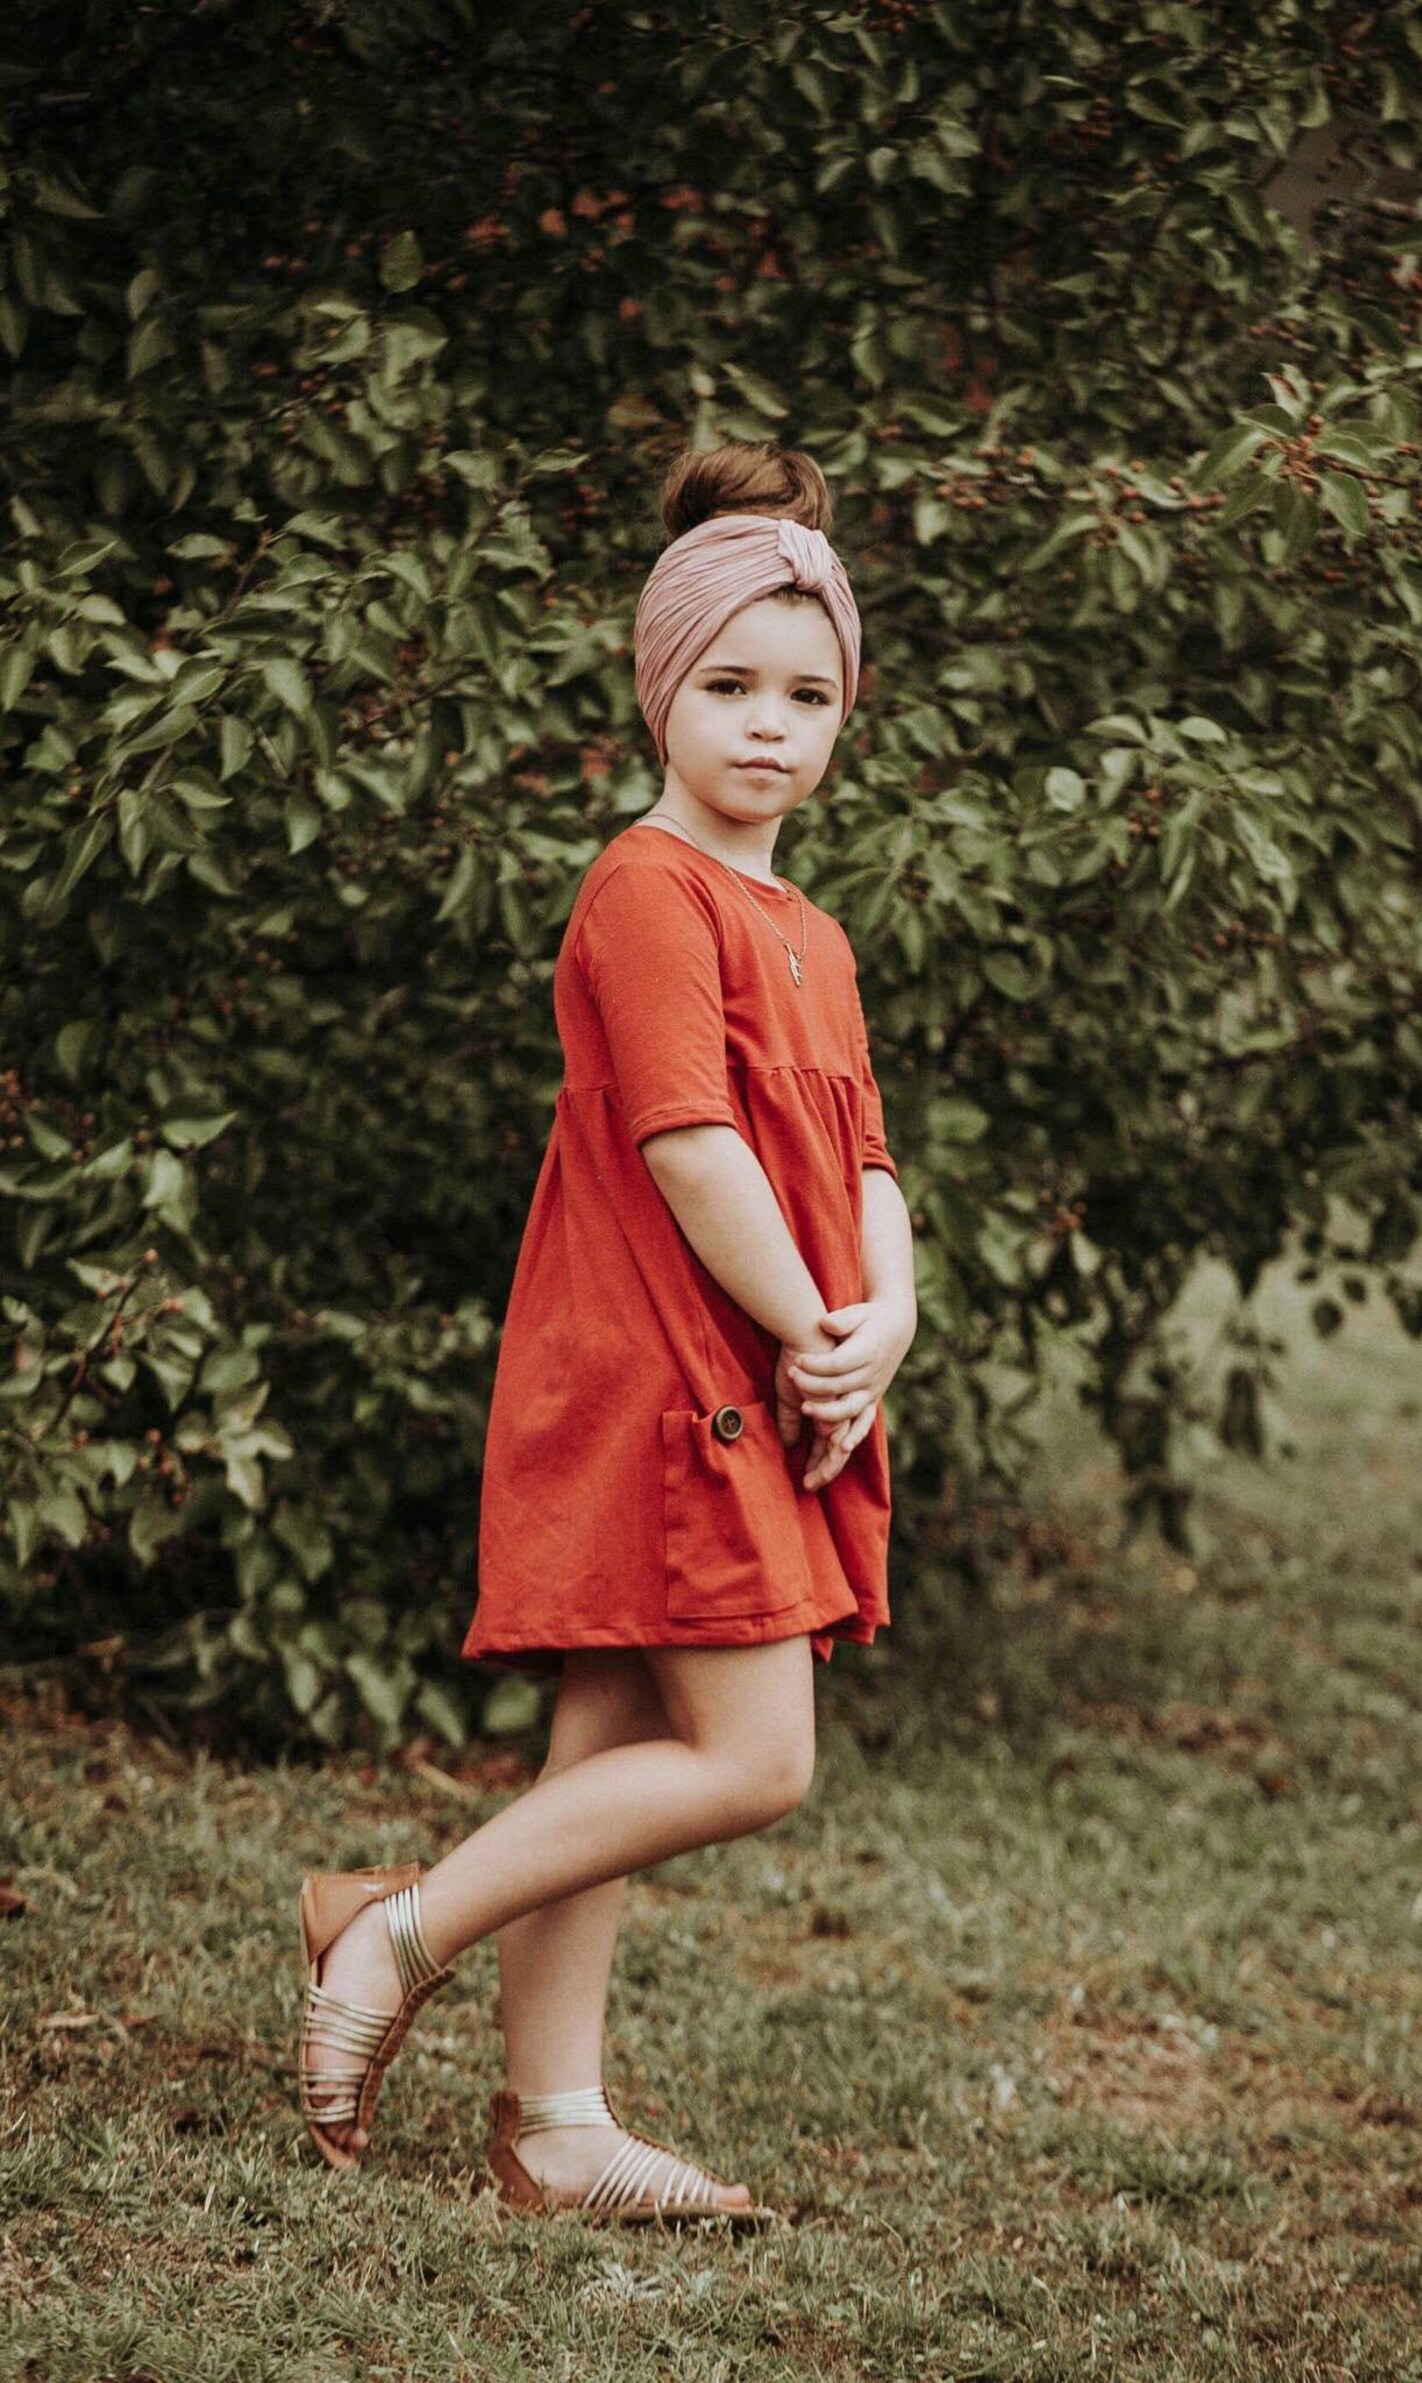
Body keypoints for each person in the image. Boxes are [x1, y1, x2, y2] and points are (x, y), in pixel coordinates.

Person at [295, 438, 917, 2225]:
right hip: (671, 1368)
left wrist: (884, 1323)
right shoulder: (647, 890)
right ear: (662, 688)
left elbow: (867, 1157)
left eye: (807, 695)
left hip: (765, 1359)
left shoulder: (814, 925)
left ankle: (552, 2125)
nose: (769, 727)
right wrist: (813, 1333)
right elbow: (688, 1141)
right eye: (729, 685)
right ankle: (383, 1931)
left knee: (609, 1740)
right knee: (753, 1757)